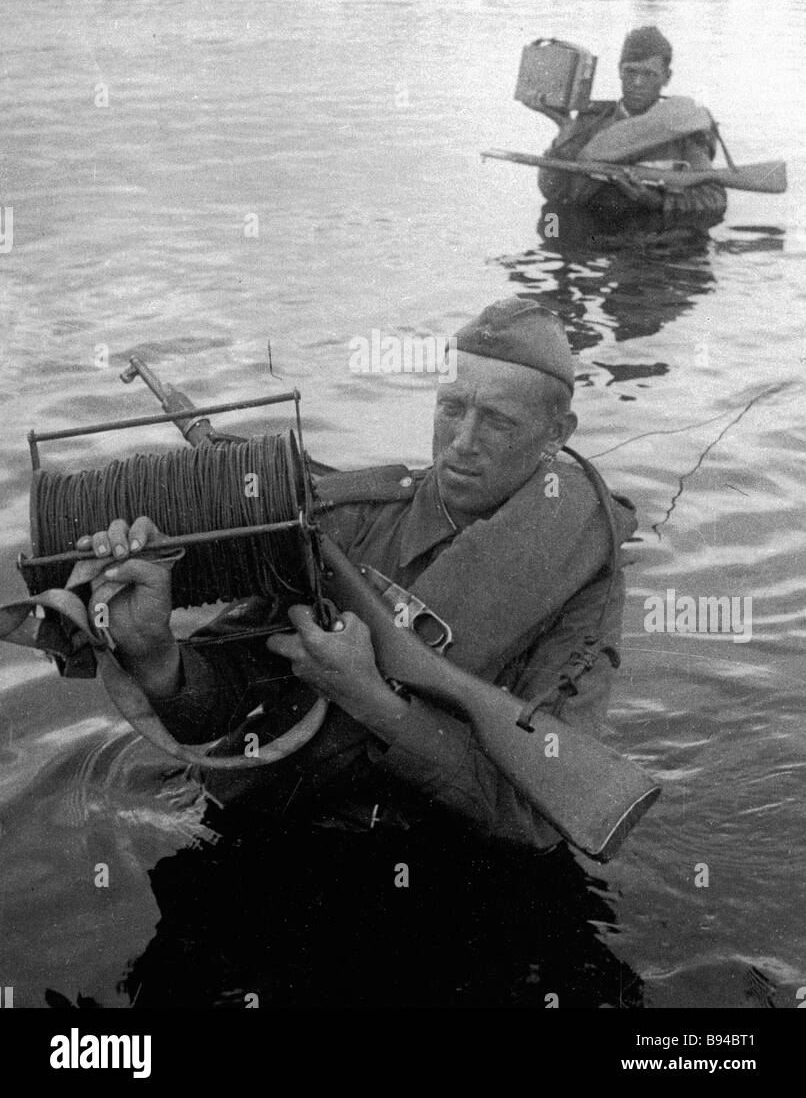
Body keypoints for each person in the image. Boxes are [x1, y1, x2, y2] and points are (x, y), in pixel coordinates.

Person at [78, 298, 644, 1005]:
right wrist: (156, 652)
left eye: (497, 421)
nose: (462, 441)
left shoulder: (581, 582)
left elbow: (535, 815)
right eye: (451, 408)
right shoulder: (349, 520)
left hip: (459, 879)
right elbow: (216, 704)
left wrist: (371, 700)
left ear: (558, 434)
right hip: (283, 838)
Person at [539, 26, 727, 225]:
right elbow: (553, 192)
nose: (637, 82)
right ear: (619, 70)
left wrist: (655, 201)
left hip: (659, 242)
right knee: (553, 229)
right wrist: (565, 129)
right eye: (630, 71)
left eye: (649, 74)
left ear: (667, 77)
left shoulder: (681, 129)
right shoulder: (590, 123)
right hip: (595, 241)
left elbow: (714, 198)